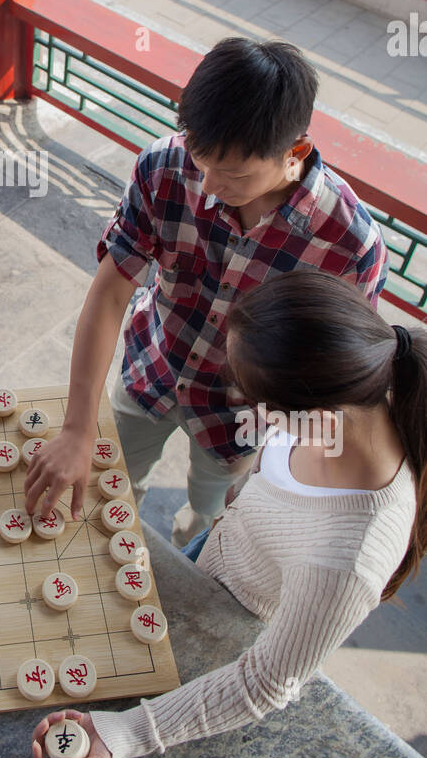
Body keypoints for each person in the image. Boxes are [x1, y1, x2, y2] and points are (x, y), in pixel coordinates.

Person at [30, 269, 423, 758]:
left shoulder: (350, 559)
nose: (242, 410)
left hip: (232, 635)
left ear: (315, 413)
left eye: (254, 401)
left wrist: (125, 733)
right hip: (212, 557)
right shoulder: (354, 393)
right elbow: (276, 470)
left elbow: (263, 683)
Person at [25, 36, 388, 547]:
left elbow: (329, 381)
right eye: (201, 159)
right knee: (112, 486)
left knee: (210, 520)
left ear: (295, 153)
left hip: (244, 416)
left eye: (235, 174)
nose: (209, 186)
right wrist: (78, 427)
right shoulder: (165, 167)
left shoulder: (347, 247)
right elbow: (111, 292)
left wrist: (278, 471)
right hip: (153, 364)